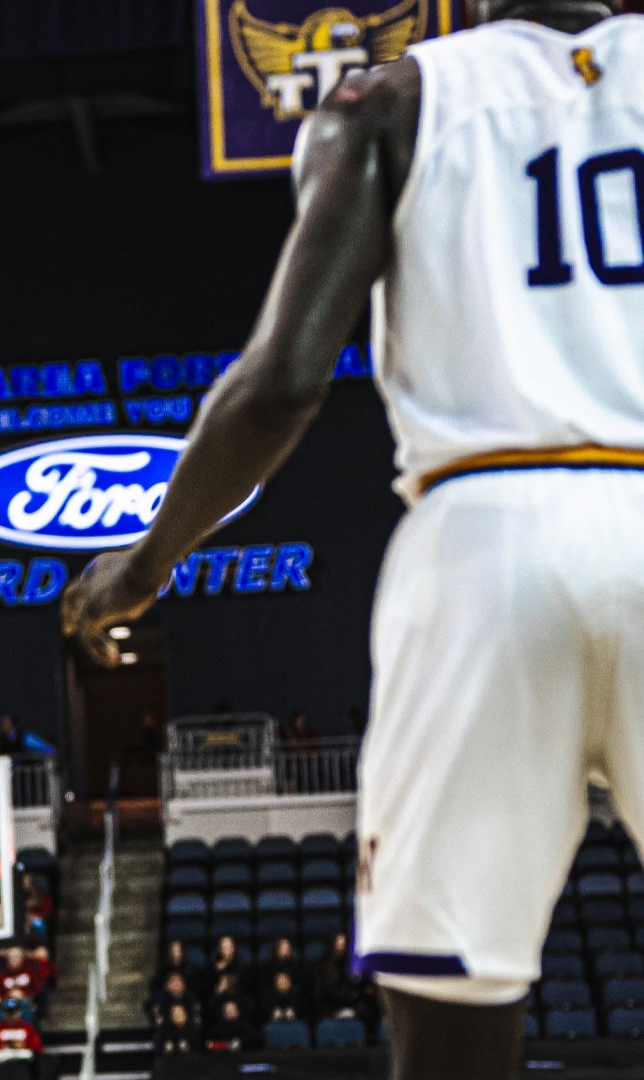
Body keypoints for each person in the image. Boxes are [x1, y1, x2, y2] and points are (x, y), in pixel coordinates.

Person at [60, 5, 644, 1076]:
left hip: (487, 534)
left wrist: (140, 569)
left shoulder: (388, 100)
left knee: (451, 1012)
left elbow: (280, 385)